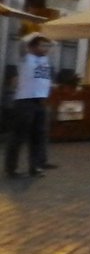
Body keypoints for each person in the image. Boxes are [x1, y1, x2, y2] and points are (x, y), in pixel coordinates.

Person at [6, 33, 56, 178]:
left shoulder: (45, 59)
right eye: (42, 45)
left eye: (46, 46)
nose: (46, 48)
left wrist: (46, 40)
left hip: (40, 101)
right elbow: (22, 42)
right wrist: (37, 34)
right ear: (32, 47)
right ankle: (12, 168)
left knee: (38, 135)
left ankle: (35, 167)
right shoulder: (25, 58)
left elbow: (54, 45)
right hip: (25, 100)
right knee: (18, 136)